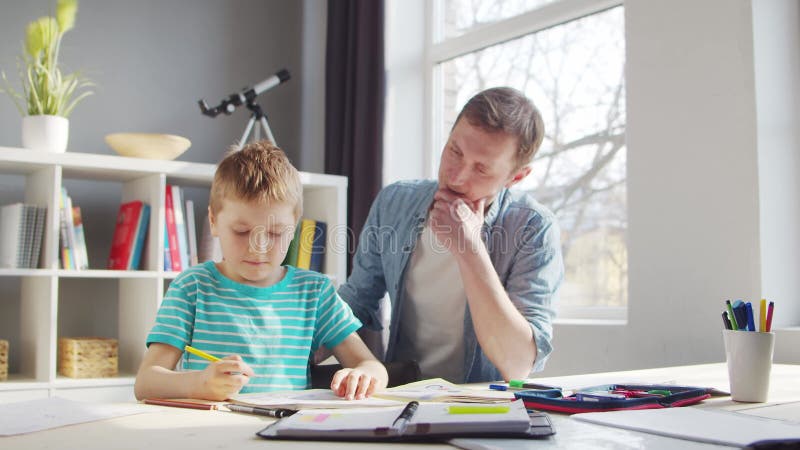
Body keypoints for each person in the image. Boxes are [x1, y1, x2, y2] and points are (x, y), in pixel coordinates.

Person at [339, 87, 563, 383]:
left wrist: (469, 248)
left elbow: (518, 363)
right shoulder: (395, 202)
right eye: (454, 151)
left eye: (481, 169)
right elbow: (356, 301)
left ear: (516, 177)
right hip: (403, 394)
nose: (456, 176)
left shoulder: (534, 228)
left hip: (481, 406)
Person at [135, 141, 388, 401]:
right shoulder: (192, 287)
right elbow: (146, 382)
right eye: (242, 231)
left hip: (283, 432)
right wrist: (199, 383)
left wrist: (364, 376)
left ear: (293, 228)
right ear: (213, 221)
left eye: (275, 233)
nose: (259, 247)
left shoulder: (315, 292)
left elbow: (373, 366)